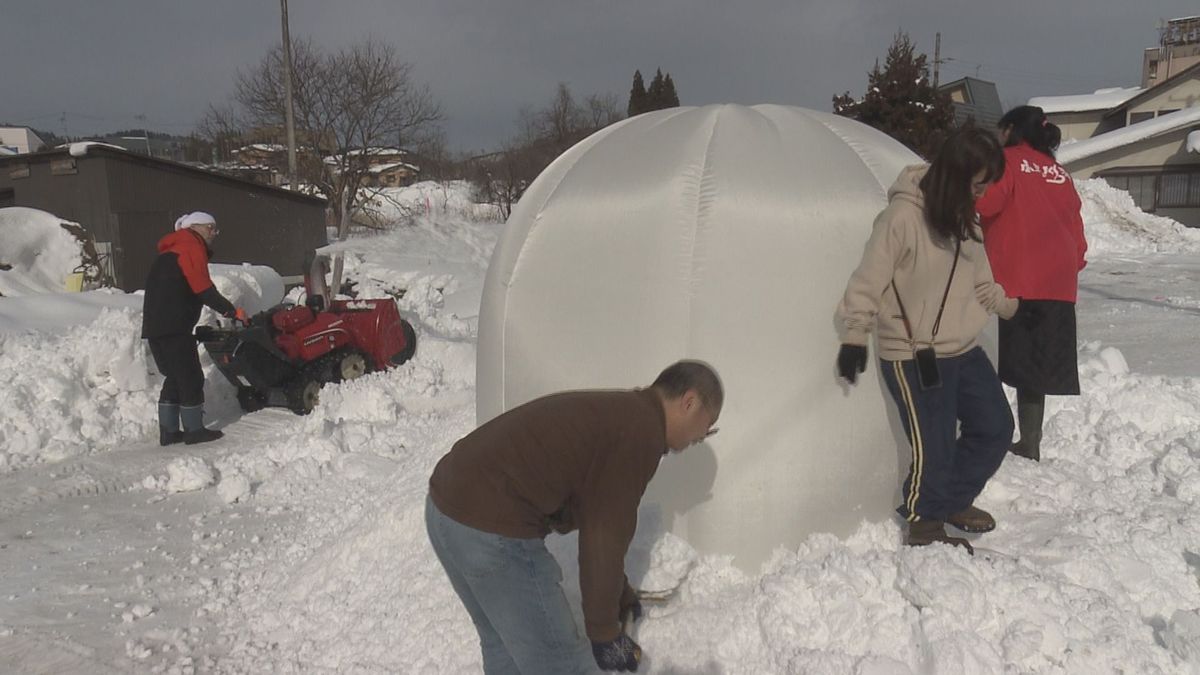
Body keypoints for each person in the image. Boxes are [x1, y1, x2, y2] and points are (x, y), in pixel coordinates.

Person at [426, 360, 723, 674]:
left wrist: (618, 592)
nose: (701, 436)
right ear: (689, 402)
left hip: (445, 510)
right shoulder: (640, 433)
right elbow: (604, 535)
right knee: (565, 664)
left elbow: (595, 510)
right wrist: (605, 633)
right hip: (490, 531)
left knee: (505, 646)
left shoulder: (621, 414)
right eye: (708, 427)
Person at [835, 128, 1019, 553]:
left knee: (995, 428)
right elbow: (868, 279)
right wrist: (854, 337)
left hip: (963, 349)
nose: (984, 193)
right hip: (914, 353)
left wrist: (1012, 307)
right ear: (954, 176)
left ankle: (949, 502)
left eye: (988, 184)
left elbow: (982, 281)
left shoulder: (966, 221)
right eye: (978, 184)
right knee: (933, 445)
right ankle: (926, 525)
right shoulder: (903, 217)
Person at [976, 106, 1088, 462]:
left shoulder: (1007, 161)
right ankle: (1030, 441)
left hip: (1015, 279)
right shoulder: (1059, 173)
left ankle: (988, 430)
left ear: (1010, 130)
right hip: (1058, 283)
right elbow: (1077, 234)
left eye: (999, 130)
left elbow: (987, 204)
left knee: (992, 354)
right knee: (1036, 366)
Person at [141, 211, 245, 446]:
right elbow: (202, 287)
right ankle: (194, 430)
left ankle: (168, 432)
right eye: (211, 228)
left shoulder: (170, 251)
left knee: (175, 377)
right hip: (174, 326)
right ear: (195, 227)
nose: (213, 234)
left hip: (156, 326)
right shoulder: (190, 247)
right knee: (190, 377)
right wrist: (231, 311)